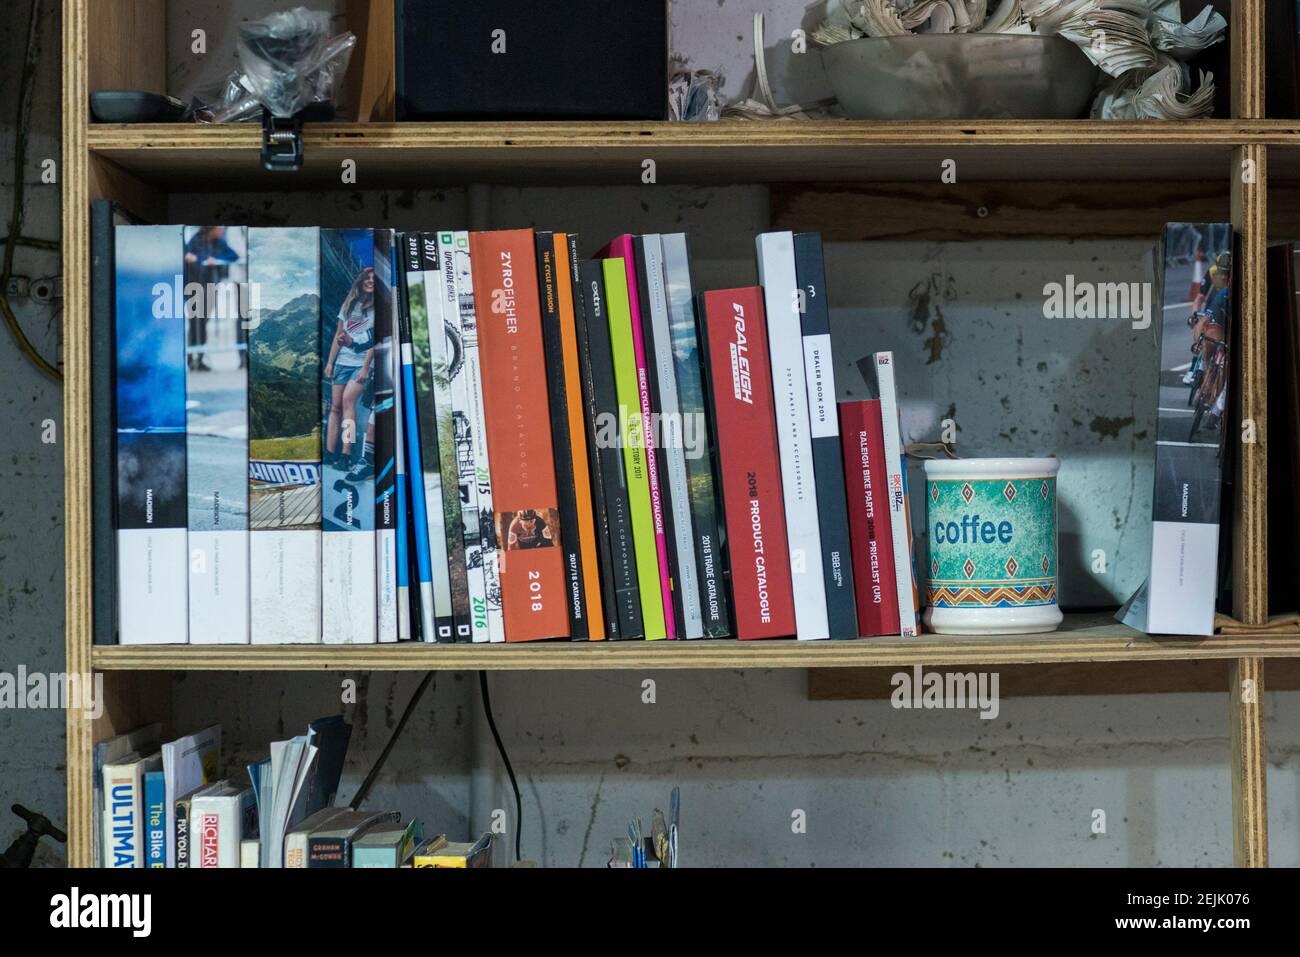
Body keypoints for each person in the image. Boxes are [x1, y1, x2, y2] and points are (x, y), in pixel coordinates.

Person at [323, 267, 375, 470]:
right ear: (360, 281)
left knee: (347, 402)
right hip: (342, 362)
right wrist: (330, 362)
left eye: (374, 279)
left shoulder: (376, 308)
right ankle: (329, 453)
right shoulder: (348, 305)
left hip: (361, 364)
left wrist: (365, 368)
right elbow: (339, 336)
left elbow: (373, 342)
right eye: (367, 278)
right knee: (334, 407)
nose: (371, 281)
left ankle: (345, 455)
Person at [183, 226, 240, 371]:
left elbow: (233, 256)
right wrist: (201, 259)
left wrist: (217, 259)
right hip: (194, 286)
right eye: (218, 227)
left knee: (203, 322)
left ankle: (200, 357)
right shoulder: (195, 241)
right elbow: (190, 258)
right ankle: (191, 358)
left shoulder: (219, 243)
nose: (221, 230)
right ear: (210, 228)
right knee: (195, 322)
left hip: (209, 287)